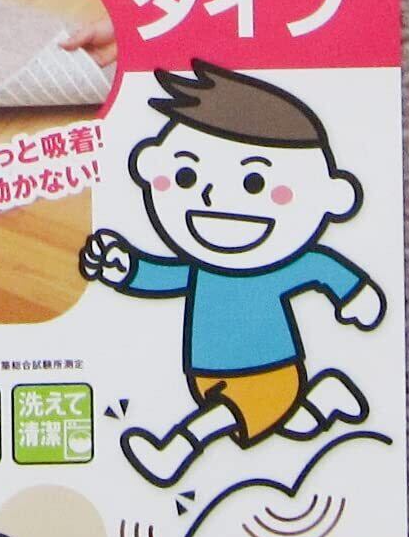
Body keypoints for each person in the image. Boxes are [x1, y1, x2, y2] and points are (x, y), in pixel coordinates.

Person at [80, 60, 383, 487]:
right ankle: (324, 397)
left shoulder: (280, 268)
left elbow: (321, 266)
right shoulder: (202, 270)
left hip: (269, 371)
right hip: (205, 372)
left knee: (226, 416)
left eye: (255, 183)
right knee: (280, 423)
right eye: (186, 175)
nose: (213, 196)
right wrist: (126, 267)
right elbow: (164, 276)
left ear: (331, 196)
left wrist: (355, 293)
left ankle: (175, 451)